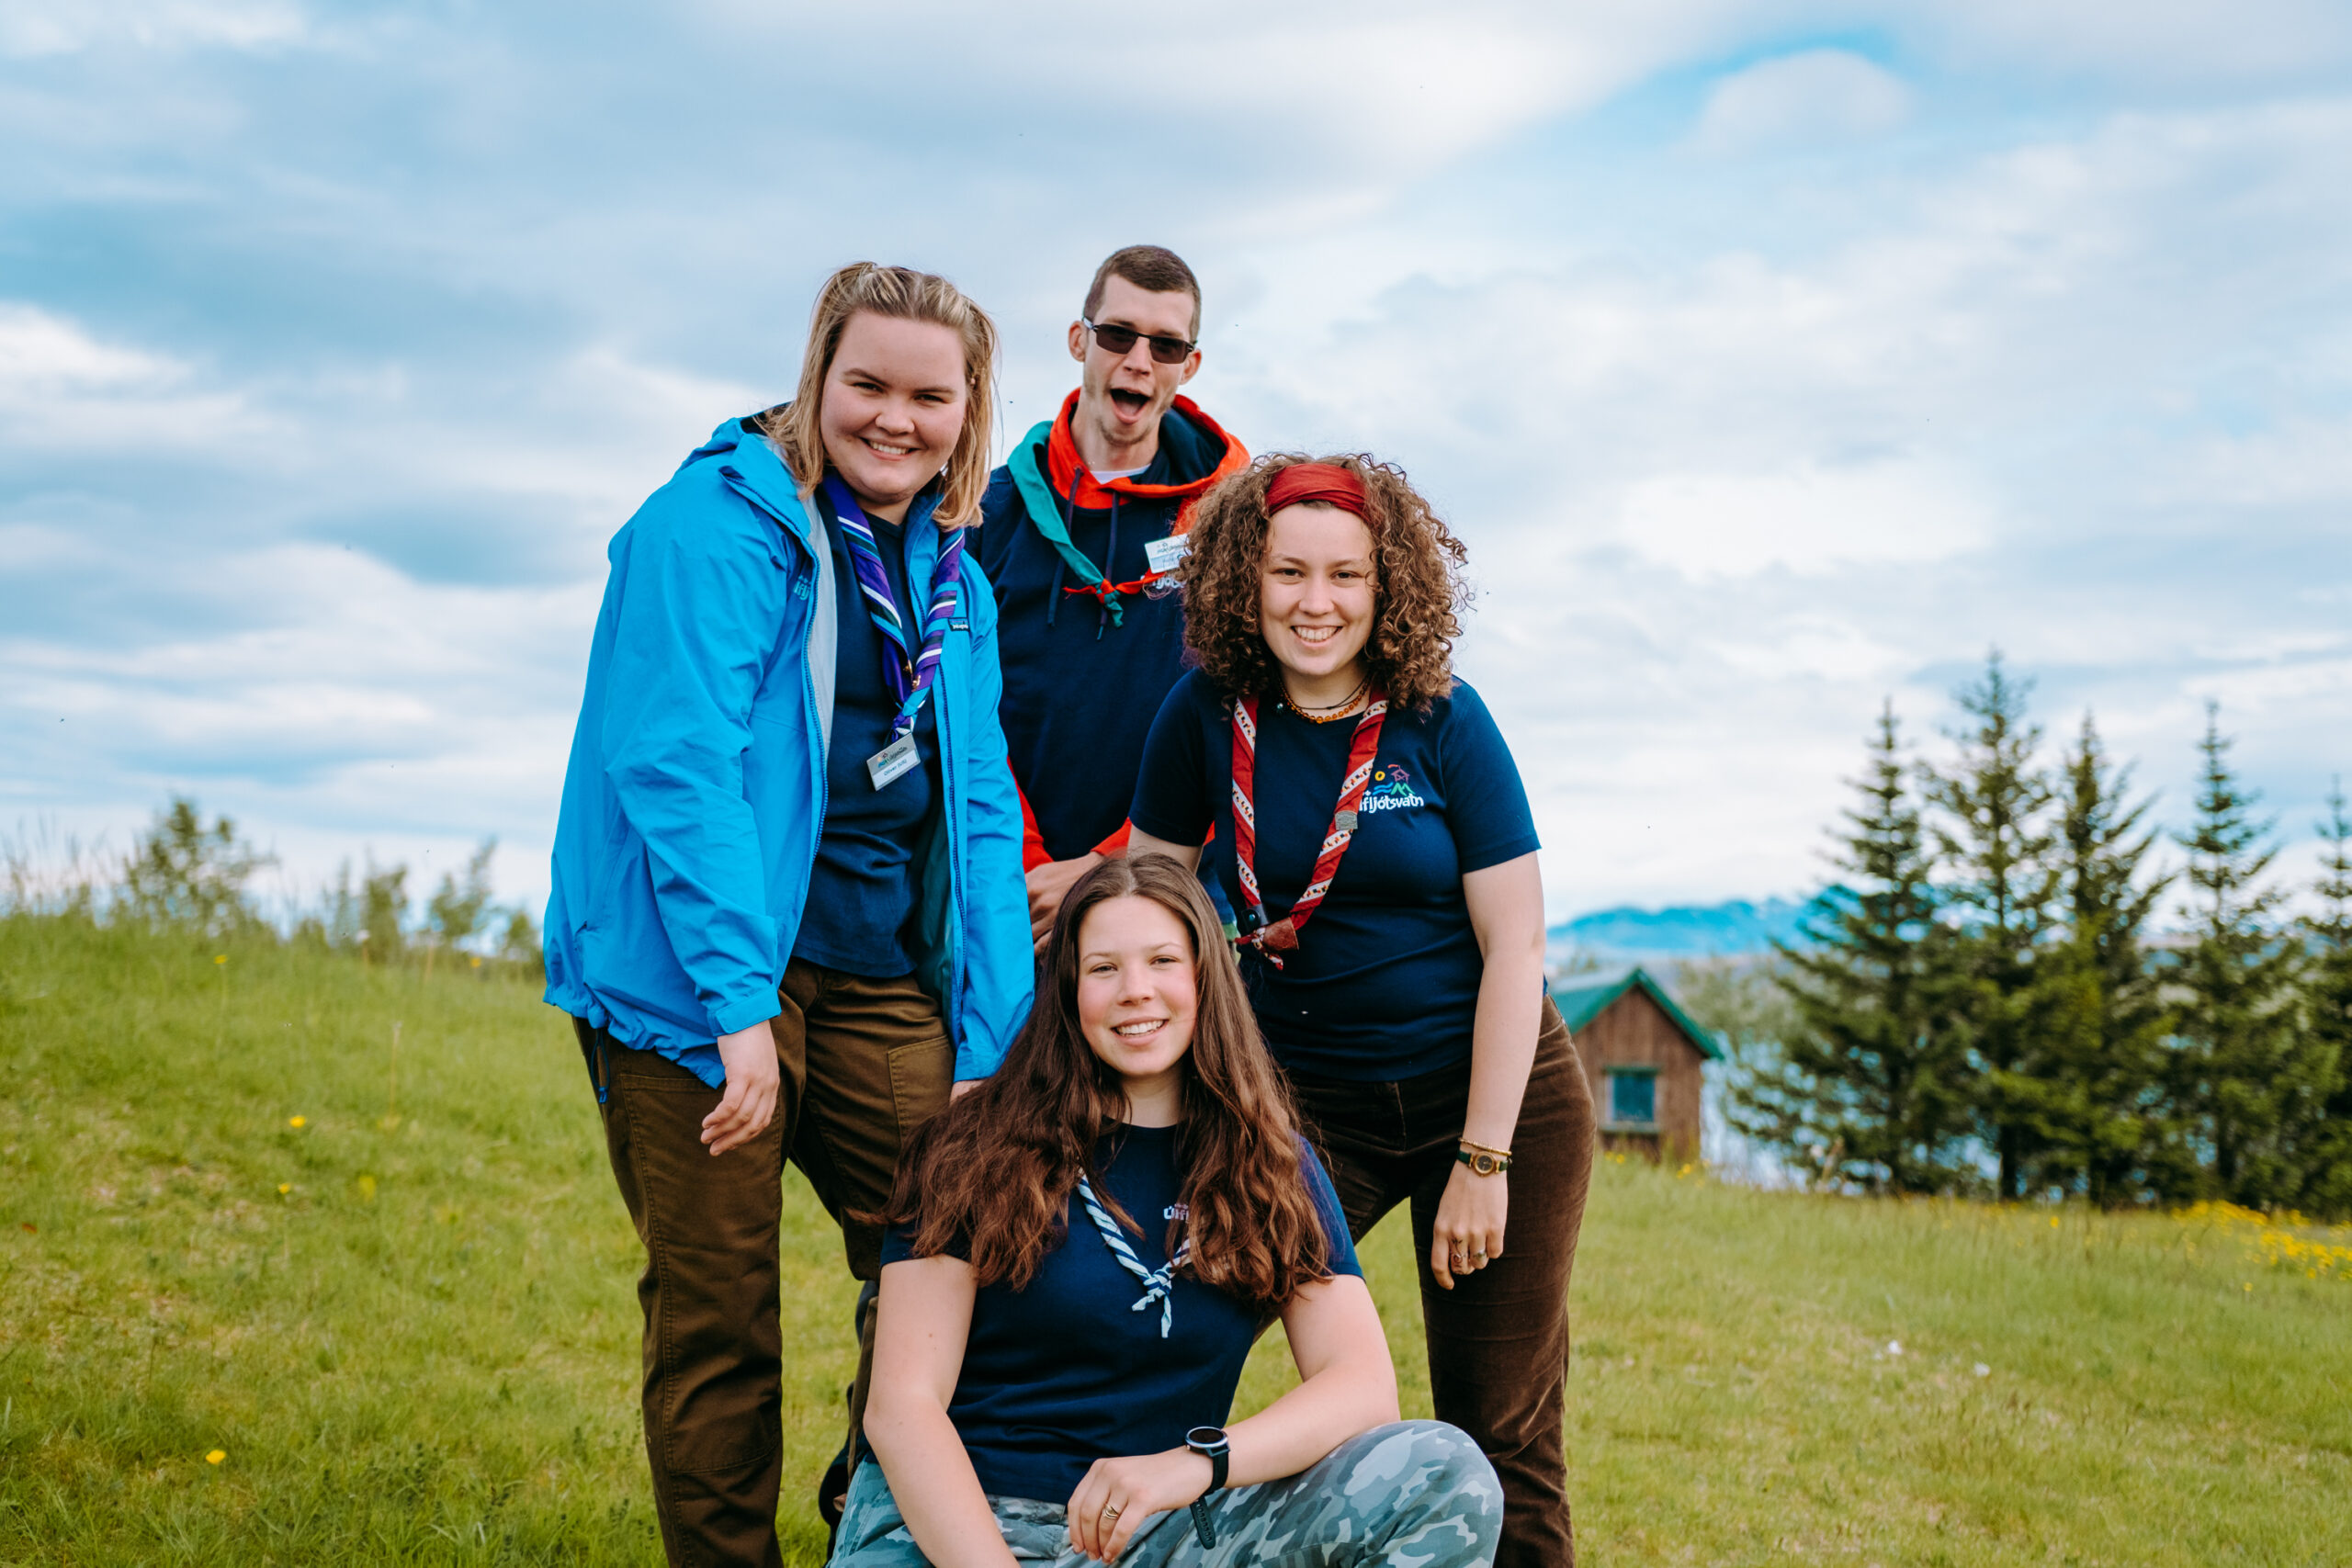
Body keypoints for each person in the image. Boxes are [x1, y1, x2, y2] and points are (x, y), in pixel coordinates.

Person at [543, 262, 1034, 1567]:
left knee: (966, 1258)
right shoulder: (706, 529)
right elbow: (677, 765)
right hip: (694, 984)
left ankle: (876, 1529)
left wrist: (992, 1048)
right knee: (722, 1319)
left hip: (877, 973)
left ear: (969, 411)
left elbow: (981, 809)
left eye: (930, 395)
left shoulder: (957, 580)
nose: (895, 418)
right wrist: (737, 1007)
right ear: (816, 377)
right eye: (866, 383)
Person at [1124, 456, 1598, 1565]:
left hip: (1491, 1099)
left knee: (1500, 1424)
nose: (1316, 601)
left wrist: (1482, 1160)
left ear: (1388, 591)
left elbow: (1514, 944)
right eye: (1289, 571)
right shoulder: (1201, 715)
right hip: (1301, 1110)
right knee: (1179, 1339)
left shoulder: (1442, 718)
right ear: (1247, 579)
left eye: (1346, 576)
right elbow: (1145, 910)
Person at [836, 853, 1502, 1567]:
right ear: (1066, 989)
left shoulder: (1269, 1164)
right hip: (950, 1528)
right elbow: (902, 1409)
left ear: (1204, 978)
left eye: (1161, 960)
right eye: (1103, 968)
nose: (1136, 991)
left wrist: (1194, 1464)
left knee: (1442, 1468)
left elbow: (1362, 1383)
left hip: (1151, 1530)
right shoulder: (971, 1147)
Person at [974, 245, 1249, 943]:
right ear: (1079, 340)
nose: (1138, 360)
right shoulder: (986, 513)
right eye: (1119, 335)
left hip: (1179, 892)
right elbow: (961, 705)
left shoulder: (1234, 525)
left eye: (1166, 345)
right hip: (1013, 894)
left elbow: (1245, 712)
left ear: (1189, 366)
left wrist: (1112, 862)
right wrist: (1033, 867)